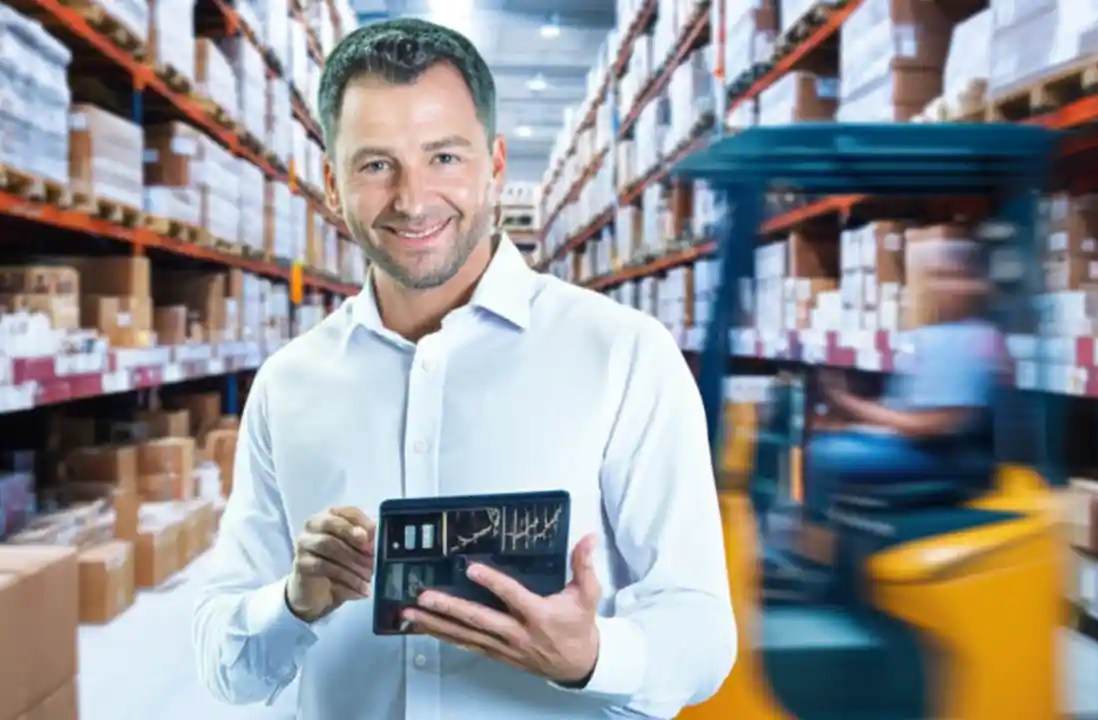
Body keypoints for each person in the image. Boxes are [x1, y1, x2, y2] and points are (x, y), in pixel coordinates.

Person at [191, 18, 736, 720]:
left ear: (495, 166)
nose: (413, 199)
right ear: (332, 183)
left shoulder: (623, 355)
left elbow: (701, 629)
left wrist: (593, 657)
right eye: (375, 165)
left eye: (444, 157)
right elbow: (224, 667)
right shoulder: (287, 385)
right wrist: (292, 604)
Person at [803, 242, 1005, 517]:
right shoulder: (934, 335)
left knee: (826, 454)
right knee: (826, 441)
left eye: (955, 277)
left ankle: (821, 534)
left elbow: (932, 425)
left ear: (979, 284)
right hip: (920, 445)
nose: (943, 287)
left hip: (947, 458)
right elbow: (908, 409)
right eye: (937, 276)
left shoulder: (975, 339)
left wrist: (850, 404)